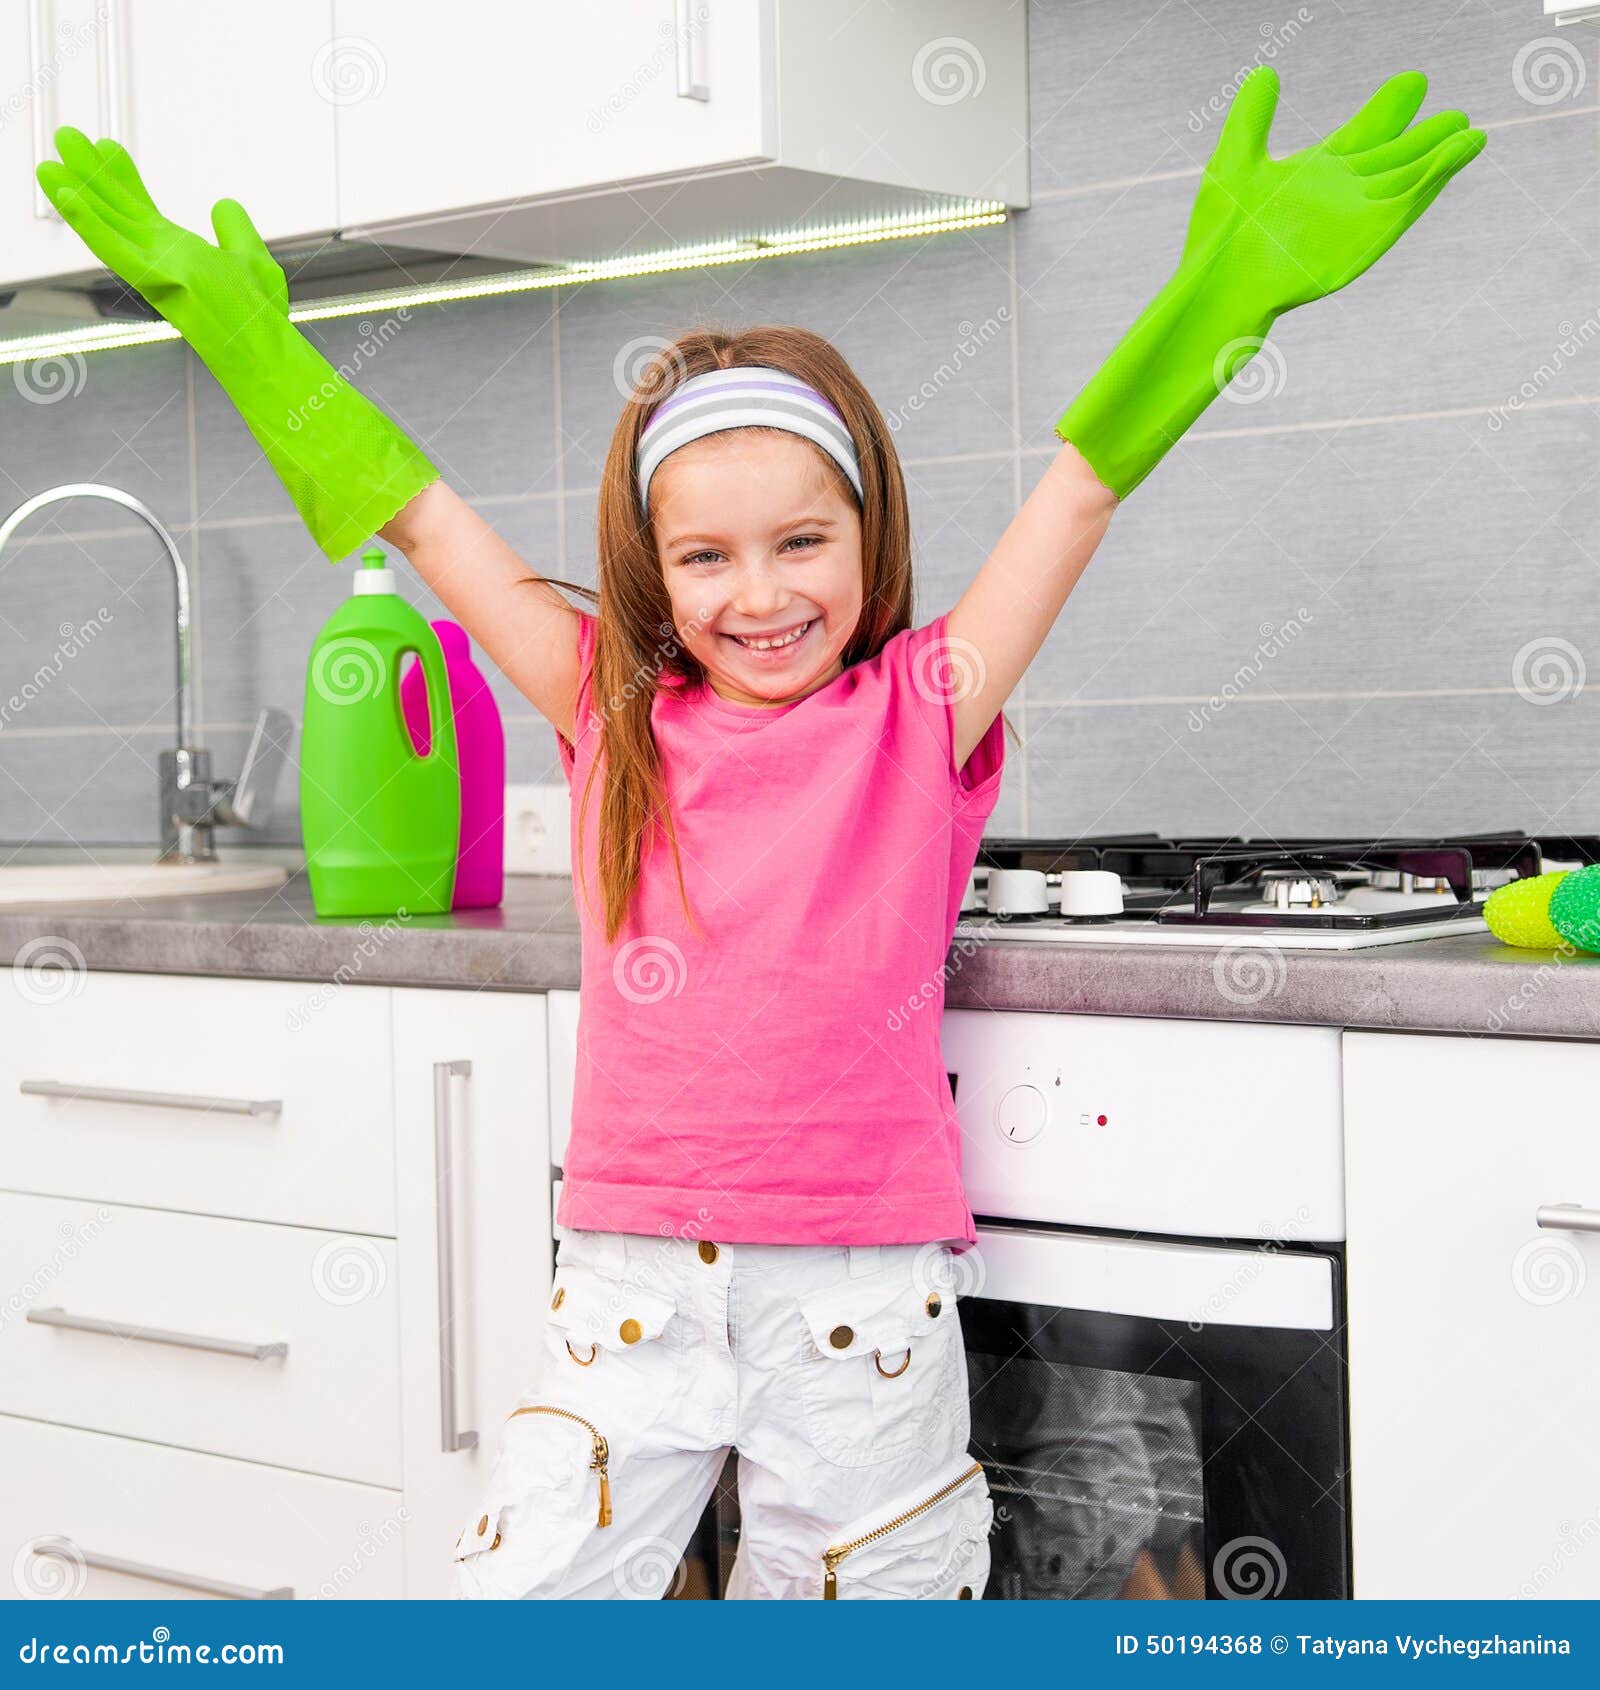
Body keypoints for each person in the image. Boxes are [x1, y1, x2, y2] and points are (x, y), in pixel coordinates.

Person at [36, 64, 1482, 1600]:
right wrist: (256, 348)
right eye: (708, 556)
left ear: (868, 534)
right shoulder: (612, 708)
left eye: (803, 539)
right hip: (632, 1293)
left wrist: (1214, 309)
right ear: (656, 573)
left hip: (860, 1301)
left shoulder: (923, 709)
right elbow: (423, 520)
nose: (764, 591)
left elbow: (1074, 498)